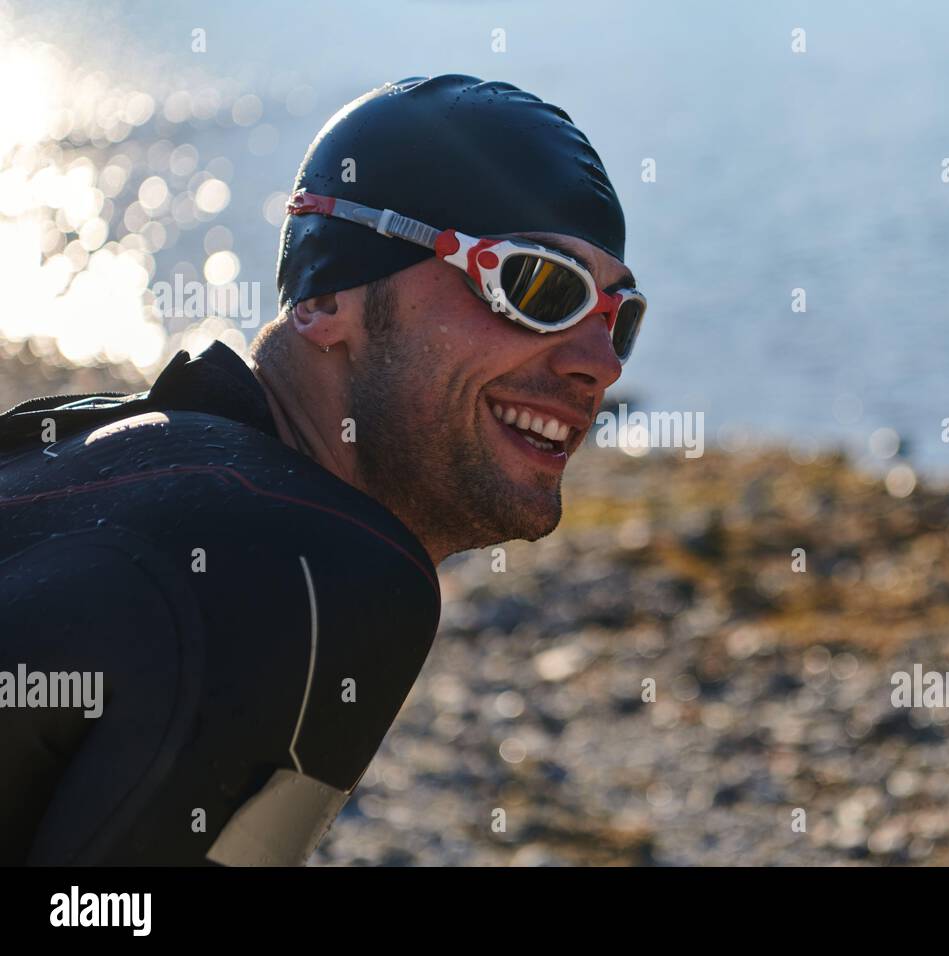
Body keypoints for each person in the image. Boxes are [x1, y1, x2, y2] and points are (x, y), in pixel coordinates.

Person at [0, 74, 646, 865]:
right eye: (538, 285)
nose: (601, 364)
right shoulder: (322, 567)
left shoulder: (80, 442)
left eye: (619, 318)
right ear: (326, 299)